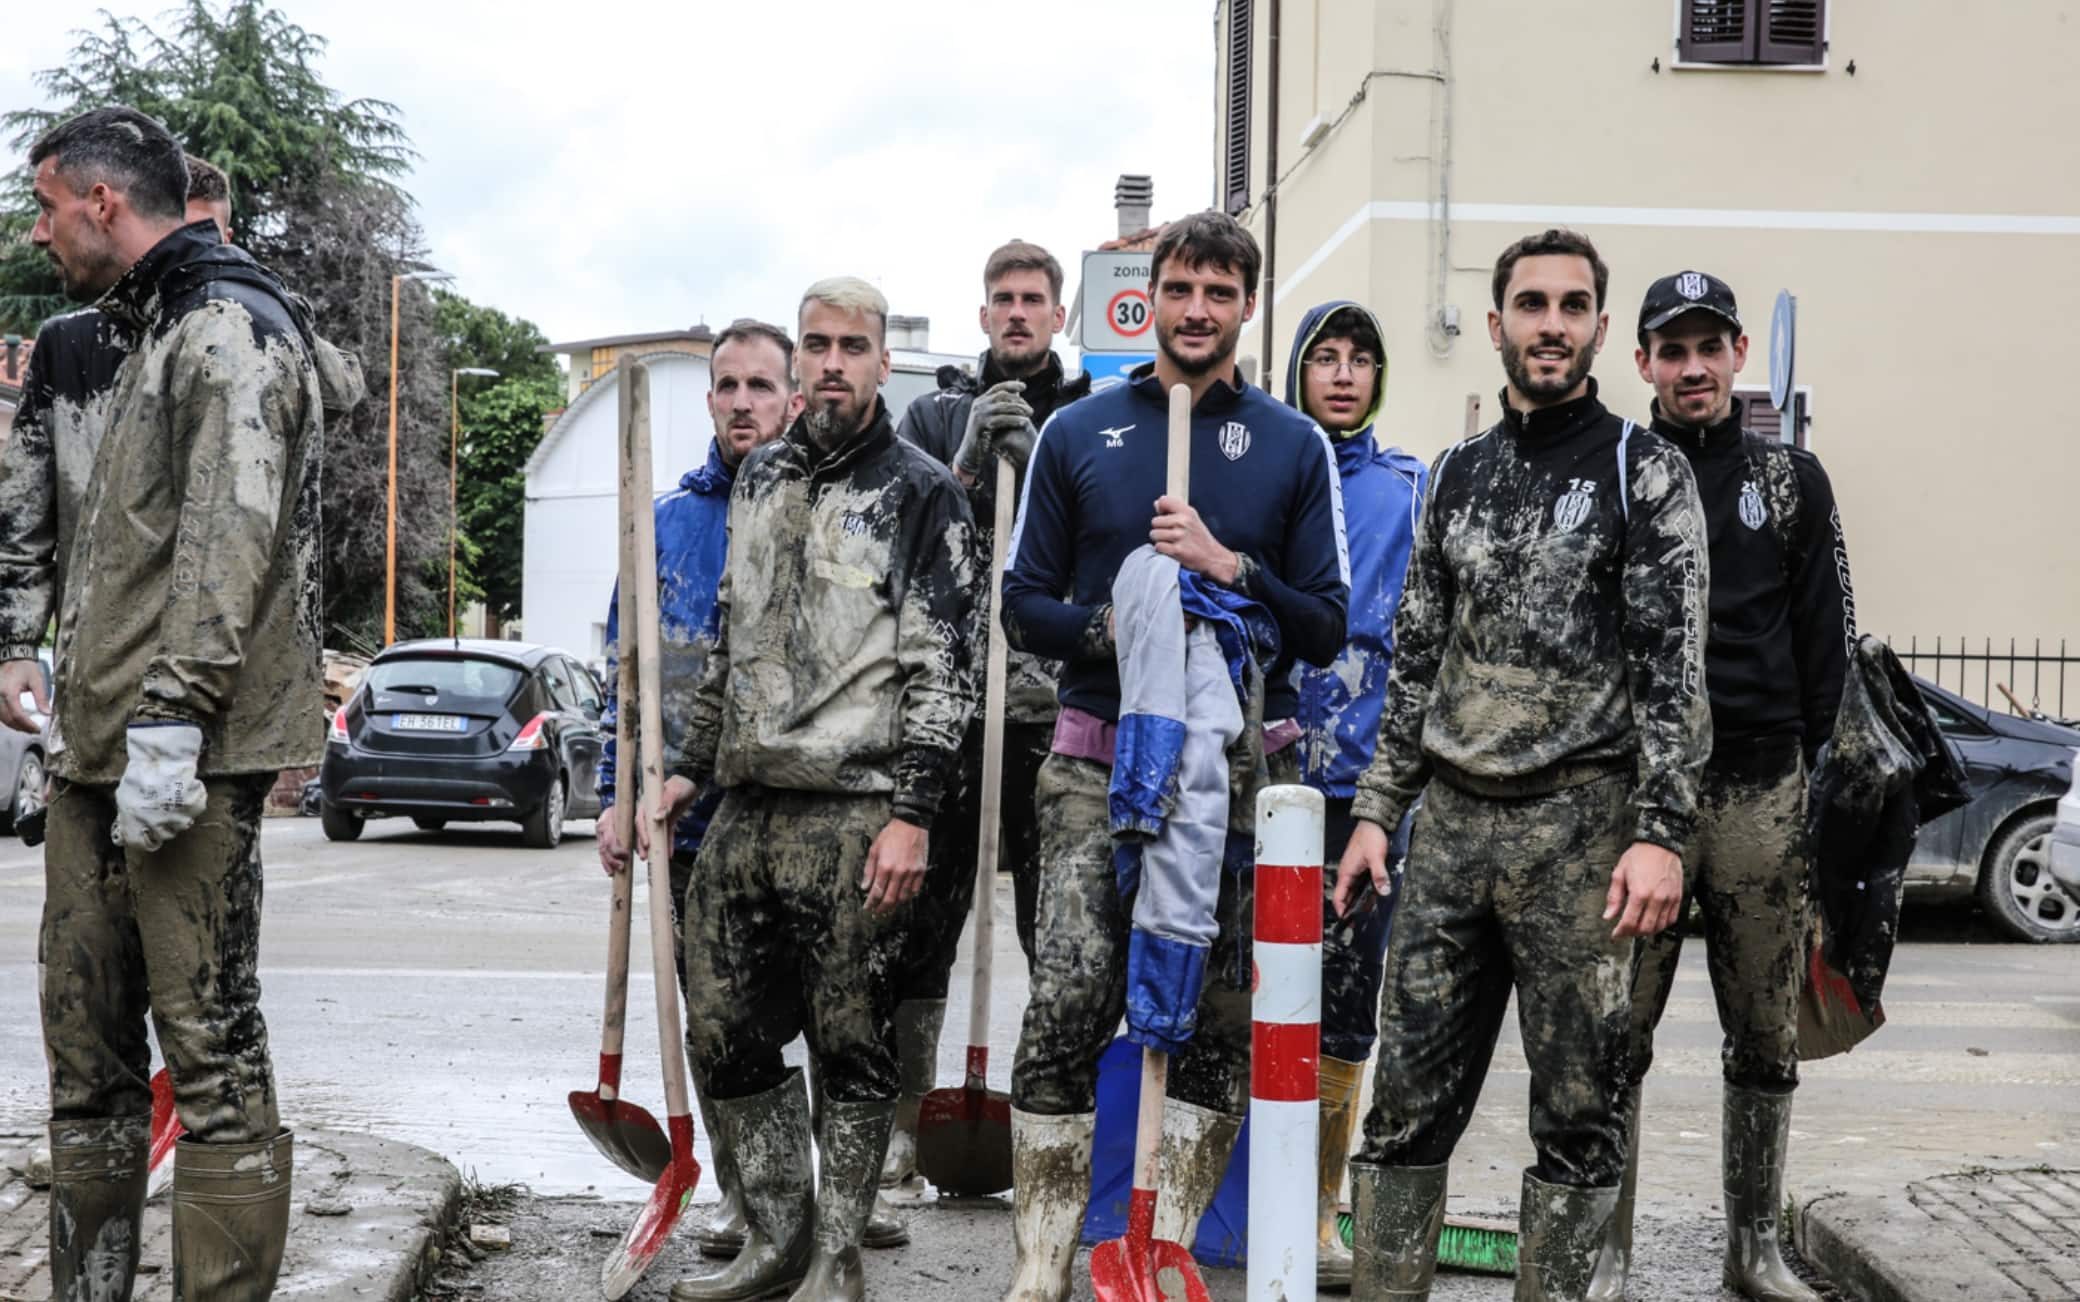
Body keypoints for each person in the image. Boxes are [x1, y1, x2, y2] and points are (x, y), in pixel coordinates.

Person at [1332, 229, 1712, 1302]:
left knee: (1579, 1115)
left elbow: (1673, 677)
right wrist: (1374, 812)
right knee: (1403, 1108)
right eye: (1531, 304)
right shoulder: (1454, 474)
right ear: (1495, 325)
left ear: (1599, 326)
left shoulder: (1649, 475)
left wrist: (1659, 834)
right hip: (1449, 832)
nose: (1551, 323)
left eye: (1572, 304)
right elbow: (1414, 659)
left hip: (1584, 836)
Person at [1, 105, 324, 1301]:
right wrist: (25, 652)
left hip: (187, 748)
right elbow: (102, 539)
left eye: (44, 206)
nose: (37, 231)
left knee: (211, 1048)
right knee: (82, 1045)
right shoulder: (123, 336)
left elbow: (229, 538)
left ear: (101, 202)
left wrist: (175, 716)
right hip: (93, 744)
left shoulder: (229, 327)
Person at [998, 210, 1351, 1302]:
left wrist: (1224, 569)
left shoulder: (1294, 445)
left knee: (1212, 1021)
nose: (1197, 310)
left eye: (1220, 291)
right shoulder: (1079, 433)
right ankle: (1043, 1259)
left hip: (1235, 776)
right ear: (1147, 297)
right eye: (1180, 289)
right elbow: (1021, 608)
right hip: (1090, 766)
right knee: (1066, 1005)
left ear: (1246, 305)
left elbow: (1327, 624)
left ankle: (1168, 1244)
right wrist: (1130, 619)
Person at [651, 277, 978, 1302]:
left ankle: (837, 1255)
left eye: (852, 346)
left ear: (883, 362)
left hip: (855, 808)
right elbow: (728, 643)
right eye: (817, 345)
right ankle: (774, 1239)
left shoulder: (922, 493)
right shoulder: (758, 481)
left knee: (850, 1037)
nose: (831, 362)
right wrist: (684, 771)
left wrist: (913, 816)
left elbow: (944, 669)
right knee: (720, 1024)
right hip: (746, 804)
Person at [1599, 271, 1854, 1302]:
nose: (1692, 367)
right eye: (1672, 349)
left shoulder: (1792, 482)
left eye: (1709, 347)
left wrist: (1826, 805)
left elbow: (1827, 645)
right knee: (1615, 1030)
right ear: (1644, 362)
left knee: (1763, 1027)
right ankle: (1605, 1248)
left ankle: (1752, 1247)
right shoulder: (1617, 473)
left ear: (1740, 354)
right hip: (1638, 793)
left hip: (1762, 789)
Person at [590, 318, 803, 1259]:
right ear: (710, 399)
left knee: (816, 1010)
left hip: (794, 811)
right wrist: (610, 791)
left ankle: (829, 1191)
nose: (745, 402)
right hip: (685, 819)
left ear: (792, 399)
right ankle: (746, 1193)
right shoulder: (667, 525)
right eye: (730, 386)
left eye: (763, 386)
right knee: (716, 1023)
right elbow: (625, 677)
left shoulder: (816, 511)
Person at [885, 238, 1090, 1189]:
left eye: (1033, 300)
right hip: (955, 705)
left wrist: (1039, 459)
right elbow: (908, 544)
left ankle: (1052, 1119)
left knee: (1057, 923)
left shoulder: (1092, 420)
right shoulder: (931, 413)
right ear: (983, 316)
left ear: (1058, 316)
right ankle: (900, 1119)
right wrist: (964, 466)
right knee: (925, 919)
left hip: (1049, 711)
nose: (1017, 313)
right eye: (1002, 299)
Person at [1277, 299, 1426, 1291]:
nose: (1340, 374)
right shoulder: (1265, 472)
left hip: (1366, 786)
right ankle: (1239, 1189)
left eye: (1357, 360)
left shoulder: (1411, 487)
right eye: (1322, 358)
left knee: (1344, 1002)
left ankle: (1319, 1208)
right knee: (1244, 997)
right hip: (1261, 777)